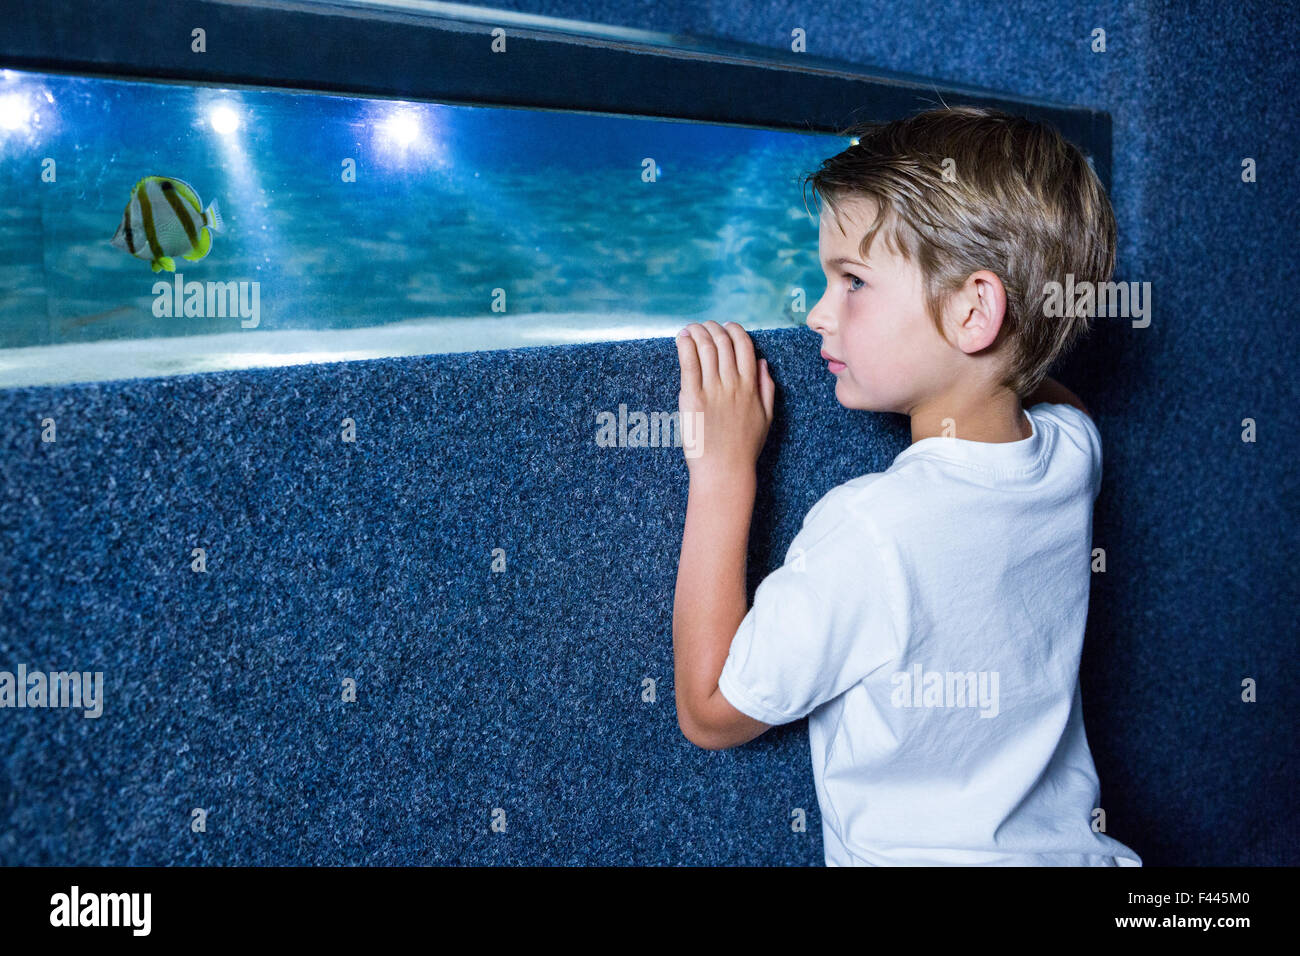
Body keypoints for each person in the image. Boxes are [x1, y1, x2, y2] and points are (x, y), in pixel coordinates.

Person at [671, 105, 1142, 866]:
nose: (819, 313)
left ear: (973, 309)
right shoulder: (1069, 456)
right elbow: (1064, 405)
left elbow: (710, 710)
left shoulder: (871, 528)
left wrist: (724, 469)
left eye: (852, 281)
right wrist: (1002, 355)